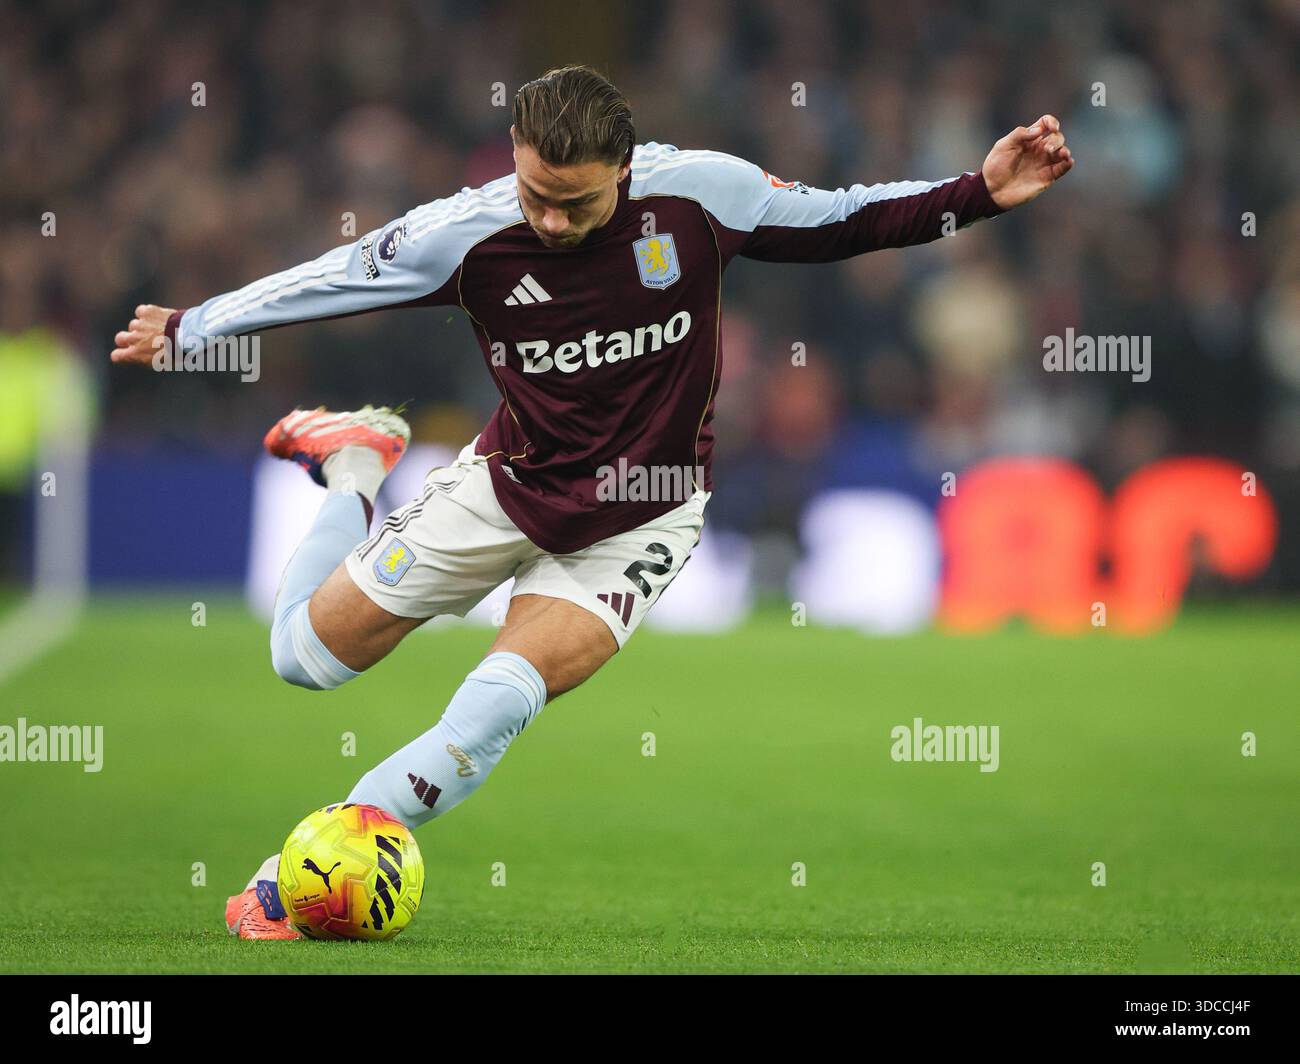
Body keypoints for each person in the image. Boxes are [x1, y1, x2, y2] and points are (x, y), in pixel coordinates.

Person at [110, 65, 1072, 938]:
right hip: (506, 486)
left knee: (487, 714)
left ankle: (292, 879)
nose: (552, 223)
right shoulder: (467, 232)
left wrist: (980, 194)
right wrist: (199, 324)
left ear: (626, 168)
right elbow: (336, 279)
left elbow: (847, 219)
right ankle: (356, 462)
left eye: (574, 204)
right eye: (535, 196)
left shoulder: (701, 194)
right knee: (302, 660)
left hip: (642, 515)